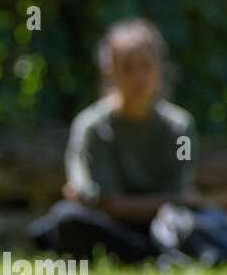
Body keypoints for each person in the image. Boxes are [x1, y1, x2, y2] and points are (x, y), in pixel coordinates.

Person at [29, 19, 199, 262]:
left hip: (164, 230)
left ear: (159, 68)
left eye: (145, 66)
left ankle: (148, 255)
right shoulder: (91, 126)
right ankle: (153, 257)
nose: (138, 78)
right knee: (67, 218)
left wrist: (111, 204)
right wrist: (165, 202)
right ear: (108, 70)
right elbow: (97, 202)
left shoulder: (180, 128)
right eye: (128, 68)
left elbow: (178, 205)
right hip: (108, 227)